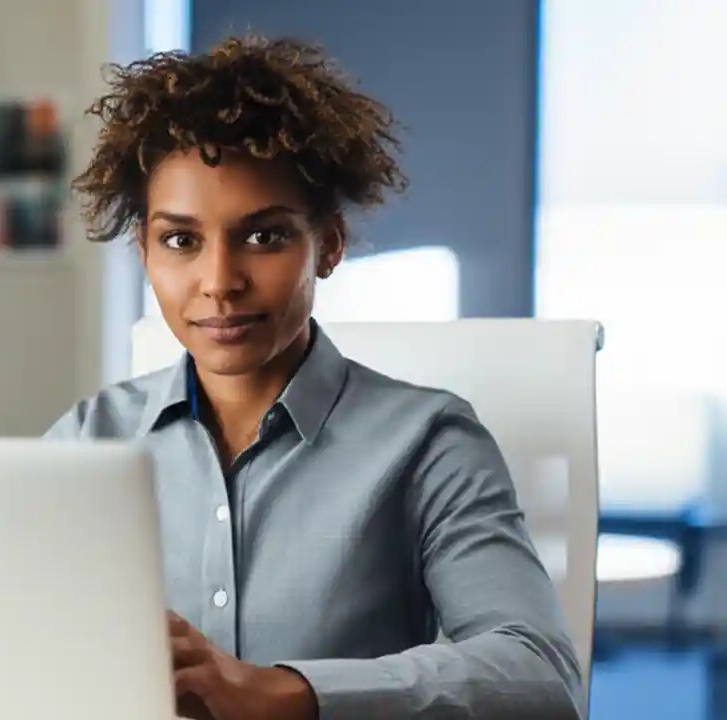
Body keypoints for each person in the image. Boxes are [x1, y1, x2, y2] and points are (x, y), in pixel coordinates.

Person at [45, 37, 584, 720]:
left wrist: (284, 692)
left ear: (327, 244)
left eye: (264, 236)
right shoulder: (86, 441)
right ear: (144, 248)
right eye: (181, 241)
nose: (219, 284)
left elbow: (540, 674)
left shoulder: (428, 442)